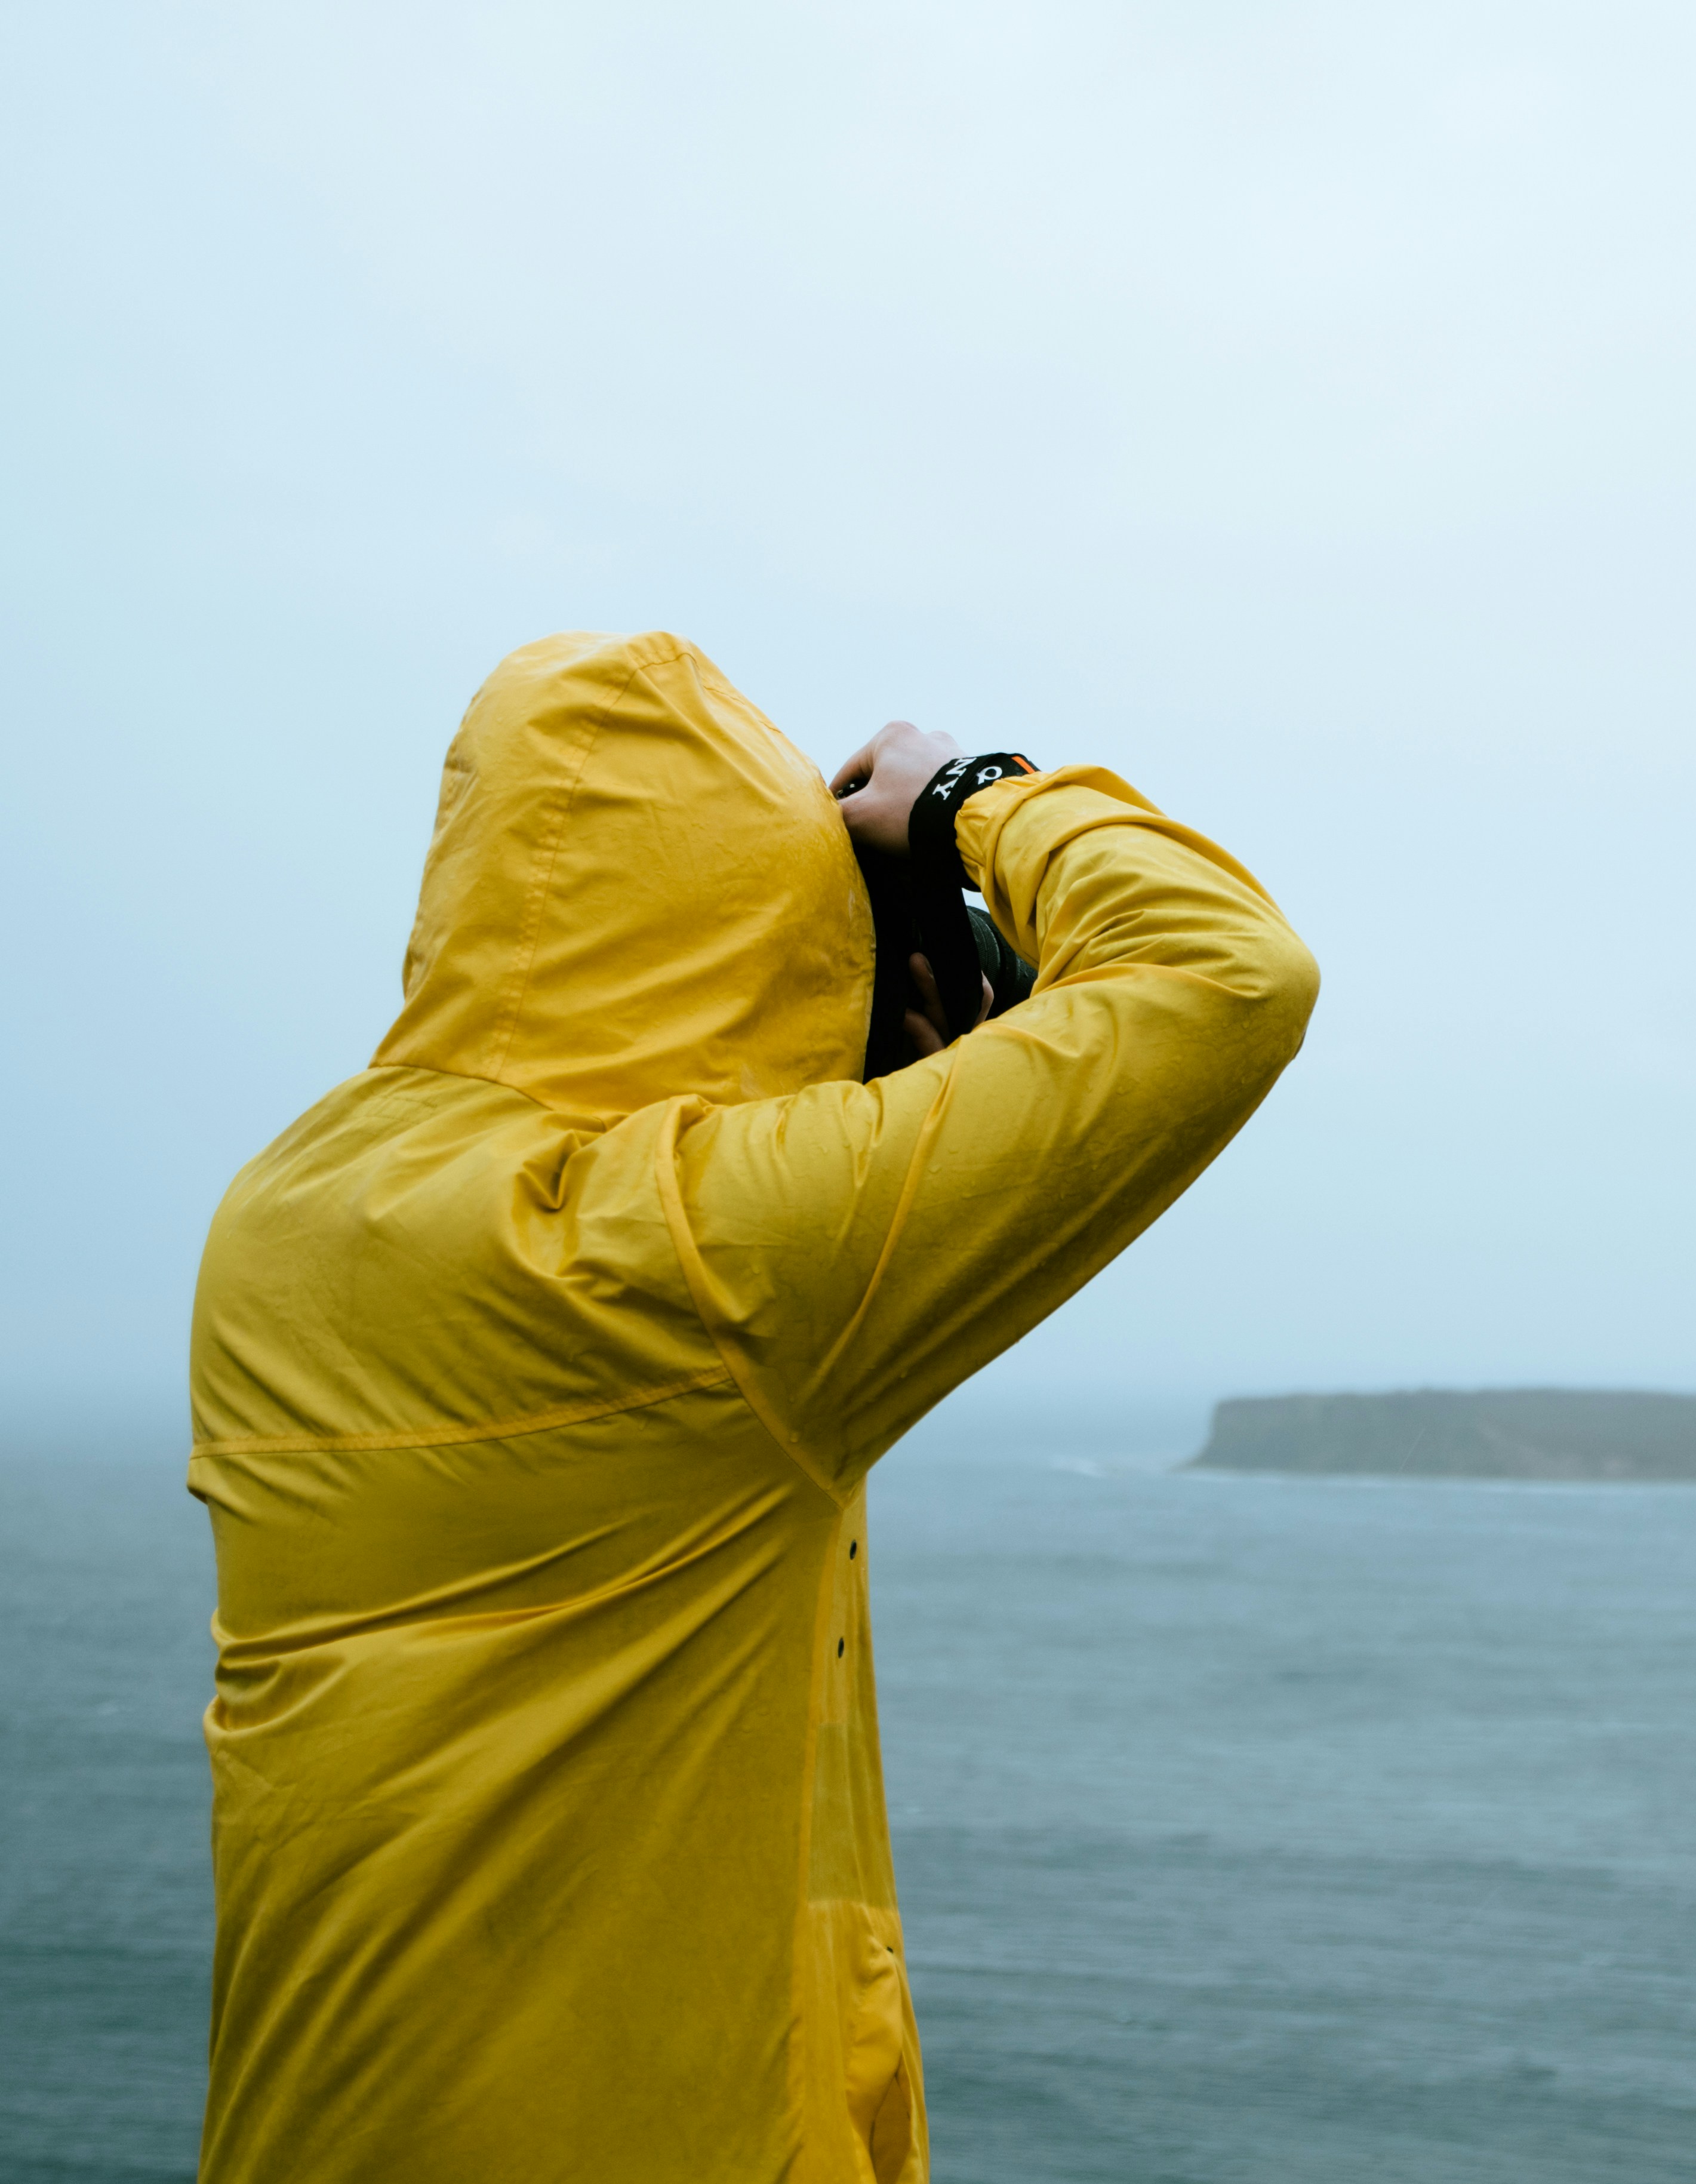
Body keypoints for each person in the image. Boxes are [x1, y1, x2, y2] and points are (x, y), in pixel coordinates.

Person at [187, 629, 1318, 2184]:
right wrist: (967, 798)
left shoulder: (289, 1215)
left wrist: (830, 1096)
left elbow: (688, 1473)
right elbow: (1227, 973)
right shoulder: (701, 1263)